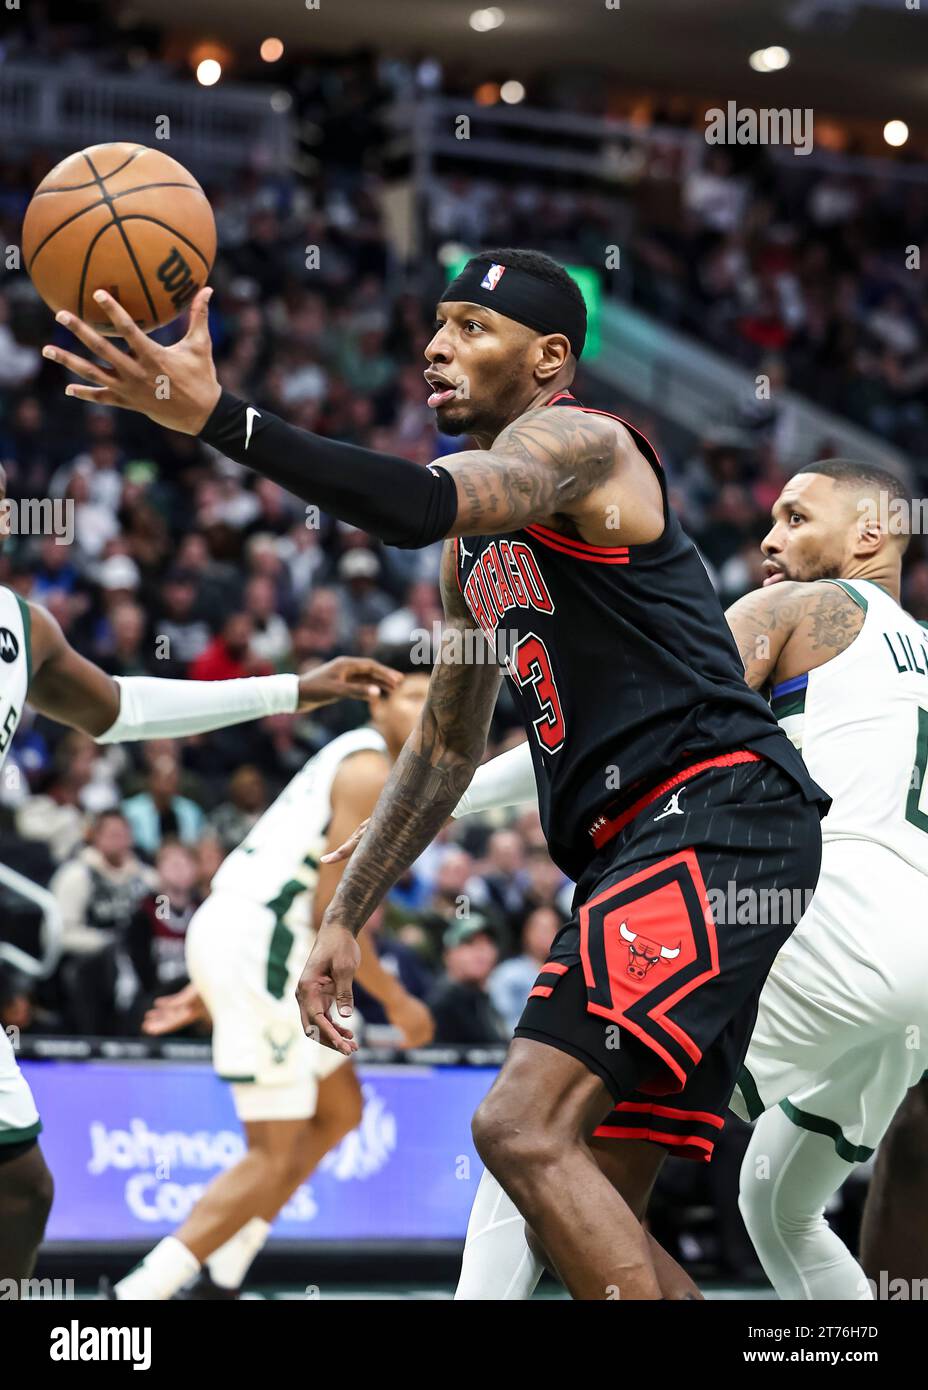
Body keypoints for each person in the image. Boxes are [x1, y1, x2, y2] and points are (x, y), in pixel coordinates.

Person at [45, 249, 828, 1299]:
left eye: (471, 326)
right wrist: (347, 914)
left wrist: (224, 421)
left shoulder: (584, 445)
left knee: (515, 1124)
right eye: (437, 323)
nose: (434, 345)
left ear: (550, 357)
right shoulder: (472, 561)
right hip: (642, 844)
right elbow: (445, 751)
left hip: (710, 811)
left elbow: (416, 500)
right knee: (587, 1196)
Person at [410, 458, 928, 1301]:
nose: (768, 537)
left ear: (871, 534)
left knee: (537, 1130)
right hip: (915, 987)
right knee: (779, 1203)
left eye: (797, 518)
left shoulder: (793, 608)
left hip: (826, 923)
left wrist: (447, 798)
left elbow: (643, 715)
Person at [0, 457, 399, 1281]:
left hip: (251, 939)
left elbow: (120, 708)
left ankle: (202, 1275)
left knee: (20, 1189)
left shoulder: (22, 626)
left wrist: (292, 688)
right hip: (256, 938)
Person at [113, 645, 434, 1301]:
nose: (429, 711)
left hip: (254, 939)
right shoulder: (367, 769)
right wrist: (401, 1003)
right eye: (413, 695)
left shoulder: (352, 759)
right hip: (260, 943)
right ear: (377, 698)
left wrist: (210, 984)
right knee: (273, 1151)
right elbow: (331, 918)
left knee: (340, 1111)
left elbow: (290, 884)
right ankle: (139, 1297)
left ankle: (224, 1276)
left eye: (438, 699)